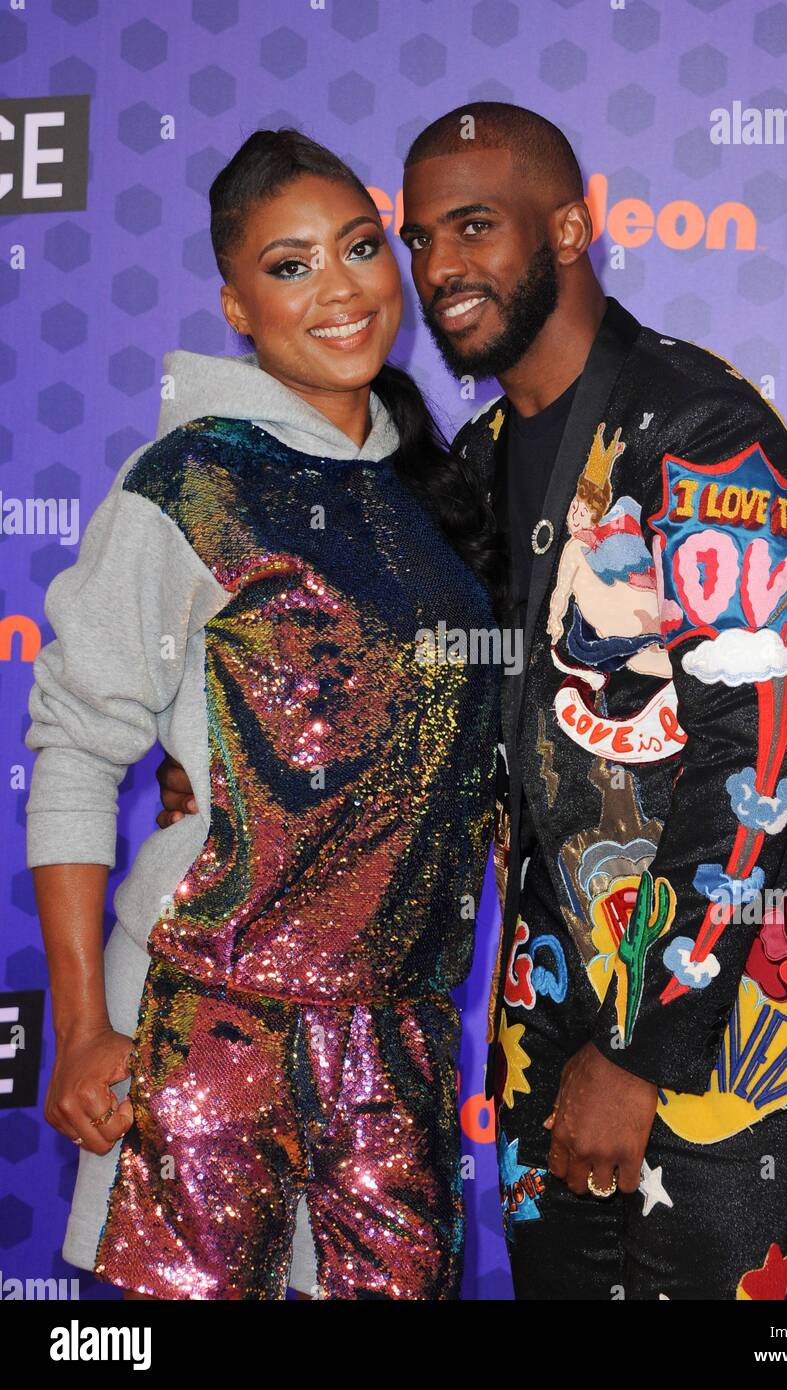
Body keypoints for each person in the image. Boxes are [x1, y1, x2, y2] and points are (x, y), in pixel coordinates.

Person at [161, 103, 787, 1301]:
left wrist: (640, 1052)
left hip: (722, 1010)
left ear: (567, 227)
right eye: (419, 239)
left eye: (474, 227)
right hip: (550, 1002)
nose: (439, 267)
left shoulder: (705, 431)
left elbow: (756, 760)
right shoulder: (477, 459)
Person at [26, 128, 502, 1301]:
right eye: (291, 267)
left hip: (397, 1042)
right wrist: (82, 1026)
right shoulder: (191, 481)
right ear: (237, 303)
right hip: (206, 1022)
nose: (340, 290)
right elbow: (79, 750)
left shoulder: (444, 488)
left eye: (358, 248)